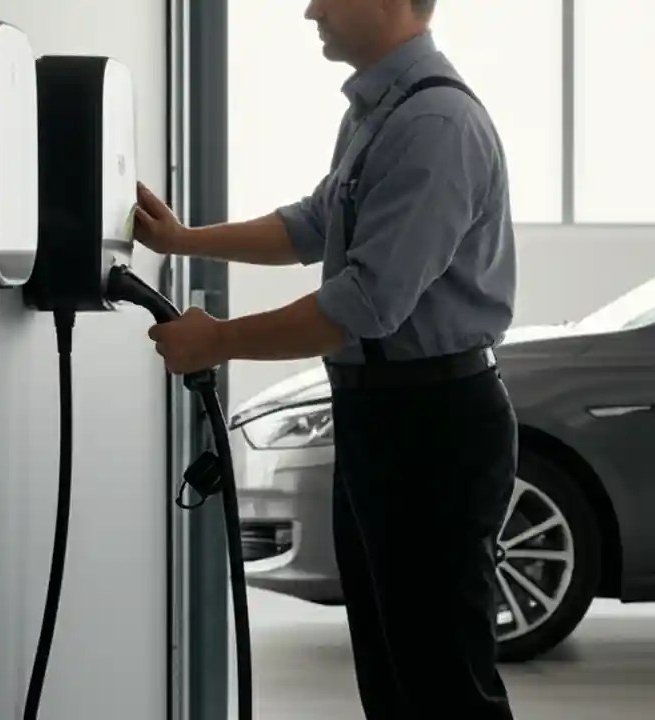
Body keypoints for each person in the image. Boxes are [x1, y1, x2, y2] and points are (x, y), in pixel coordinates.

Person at [134, 0, 517, 717]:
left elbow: (368, 302)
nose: (310, 8)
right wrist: (183, 240)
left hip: (433, 426)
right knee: (393, 667)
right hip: (386, 415)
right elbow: (313, 225)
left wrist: (217, 340)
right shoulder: (383, 111)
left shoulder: (435, 127)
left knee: (441, 683)